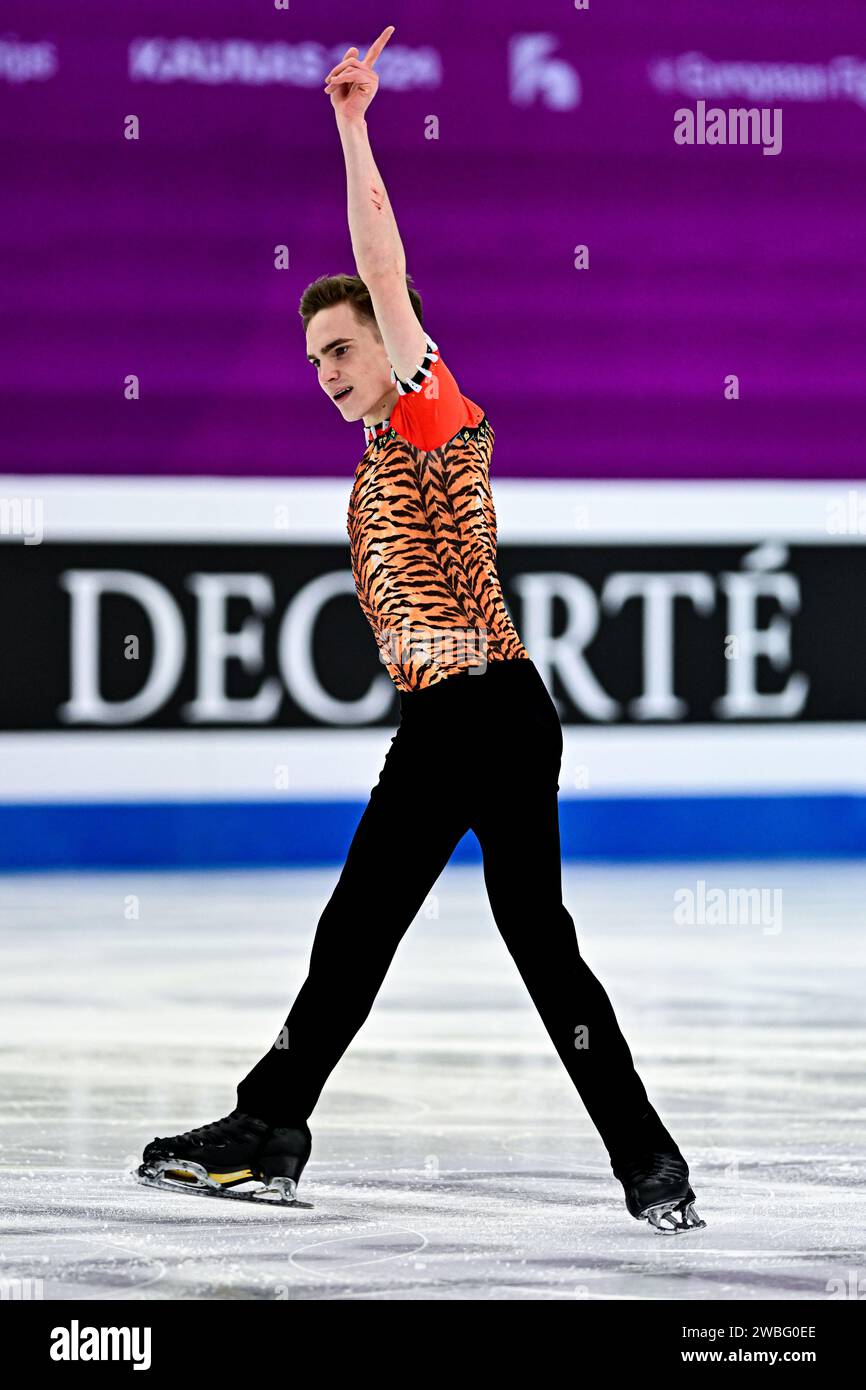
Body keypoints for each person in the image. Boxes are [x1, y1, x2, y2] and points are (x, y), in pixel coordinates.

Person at [137, 25, 705, 1233]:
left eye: (339, 347)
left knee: (366, 918)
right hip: (491, 711)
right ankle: (649, 1165)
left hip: (472, 707)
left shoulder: (429, 419)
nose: (325, 368)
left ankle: (269, 1123)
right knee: (527, 939)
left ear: (391, 353)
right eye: (312, 357)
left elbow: (385, 274)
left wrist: (349, 126)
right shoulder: (370, 466)